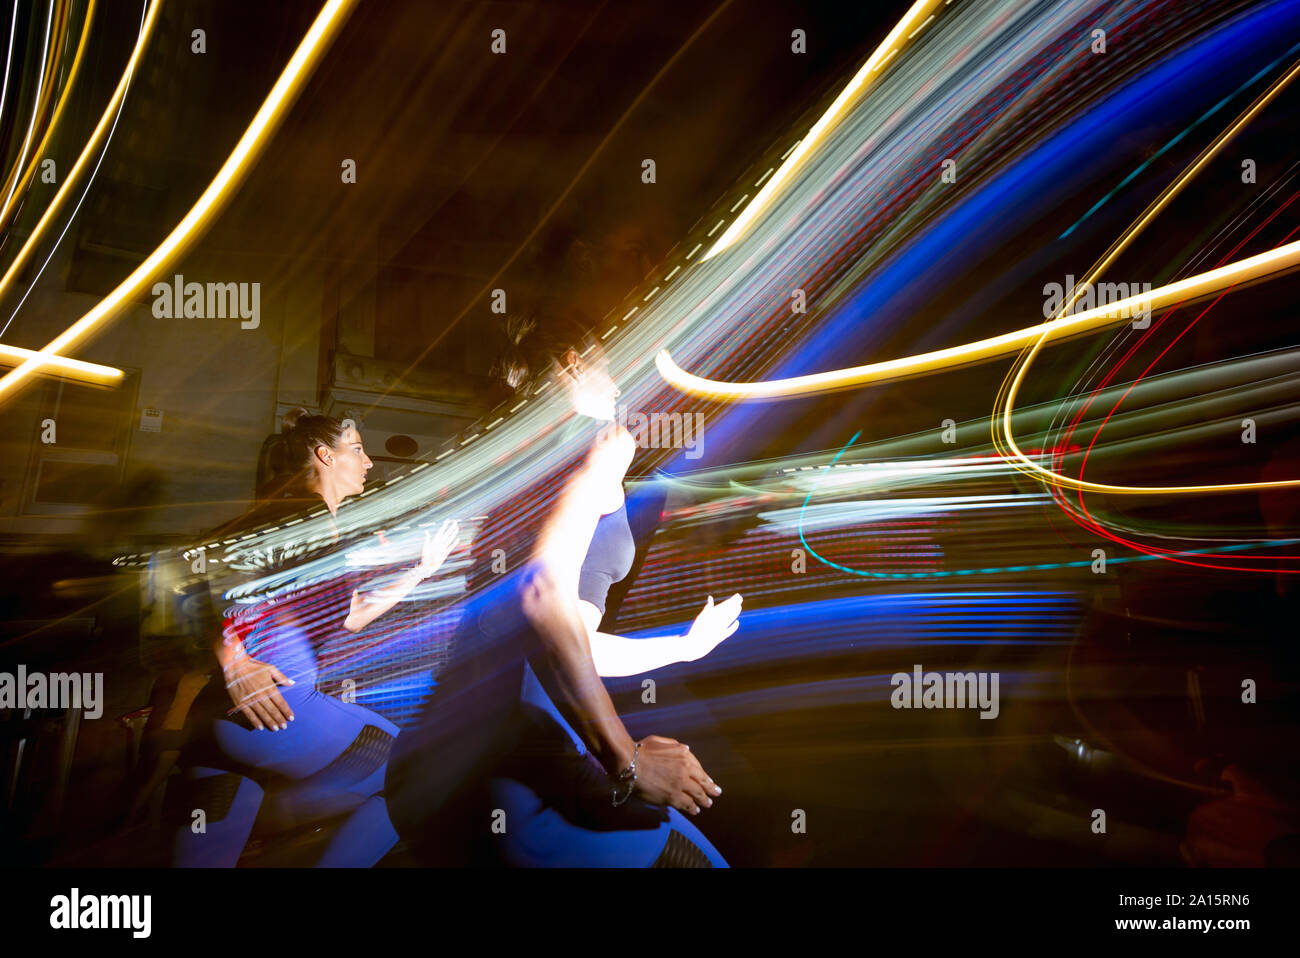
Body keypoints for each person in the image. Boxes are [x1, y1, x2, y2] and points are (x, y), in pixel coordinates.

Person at [386, 316, 742, 866]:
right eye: (610, 366)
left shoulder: (525, 464)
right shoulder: (603, 443)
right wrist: (627, 760)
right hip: (526, 774)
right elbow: (542, 595)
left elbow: (558, 634)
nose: (621, 386)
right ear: (576, 363)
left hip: (461, 774)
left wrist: (683, 647)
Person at [170, 409, 457, 867]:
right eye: (358, 448)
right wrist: (235, 661)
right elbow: (217, 588)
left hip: (221, 723)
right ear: (325, 455)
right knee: (416, 773)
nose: (368, 462)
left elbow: (349, 616)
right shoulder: (307, 517)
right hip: (278, 713)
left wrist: (421, 570)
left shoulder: (288, 514)